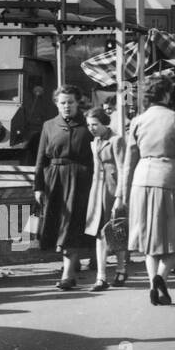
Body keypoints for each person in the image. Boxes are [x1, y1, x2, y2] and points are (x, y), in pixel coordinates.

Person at [121, 76, 175, 306]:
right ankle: (160, 278)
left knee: (148, 237)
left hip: (141, 181)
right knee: (174, 236)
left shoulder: (137, 120)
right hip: (170, 179)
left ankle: (151, 283)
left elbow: (128, 161)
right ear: (167, 94)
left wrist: (123, 196)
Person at [34, 86, 97, 292]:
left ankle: (68, 275)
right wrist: (38, 186)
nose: (67, 106)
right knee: (59, 224)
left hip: (81, 179)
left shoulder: (87, 125)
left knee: (73, 224)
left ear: (78, 102)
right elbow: (41, 158)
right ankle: (73, 263)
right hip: (55, 179)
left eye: (70, 102)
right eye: (62, 102)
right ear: (56, 104)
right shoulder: (49, 125)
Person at [84, 107, 129, 293]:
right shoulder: (95, 142)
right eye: (89, 125)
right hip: (98, 190)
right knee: (99, 232)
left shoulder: (116, 140)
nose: (91, 128)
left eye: (95, 124)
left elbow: (122, 169)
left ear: (104, 123)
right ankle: (101, 276)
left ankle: (120, 269)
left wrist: (120, 196)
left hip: (112, 190)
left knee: (115, 231)